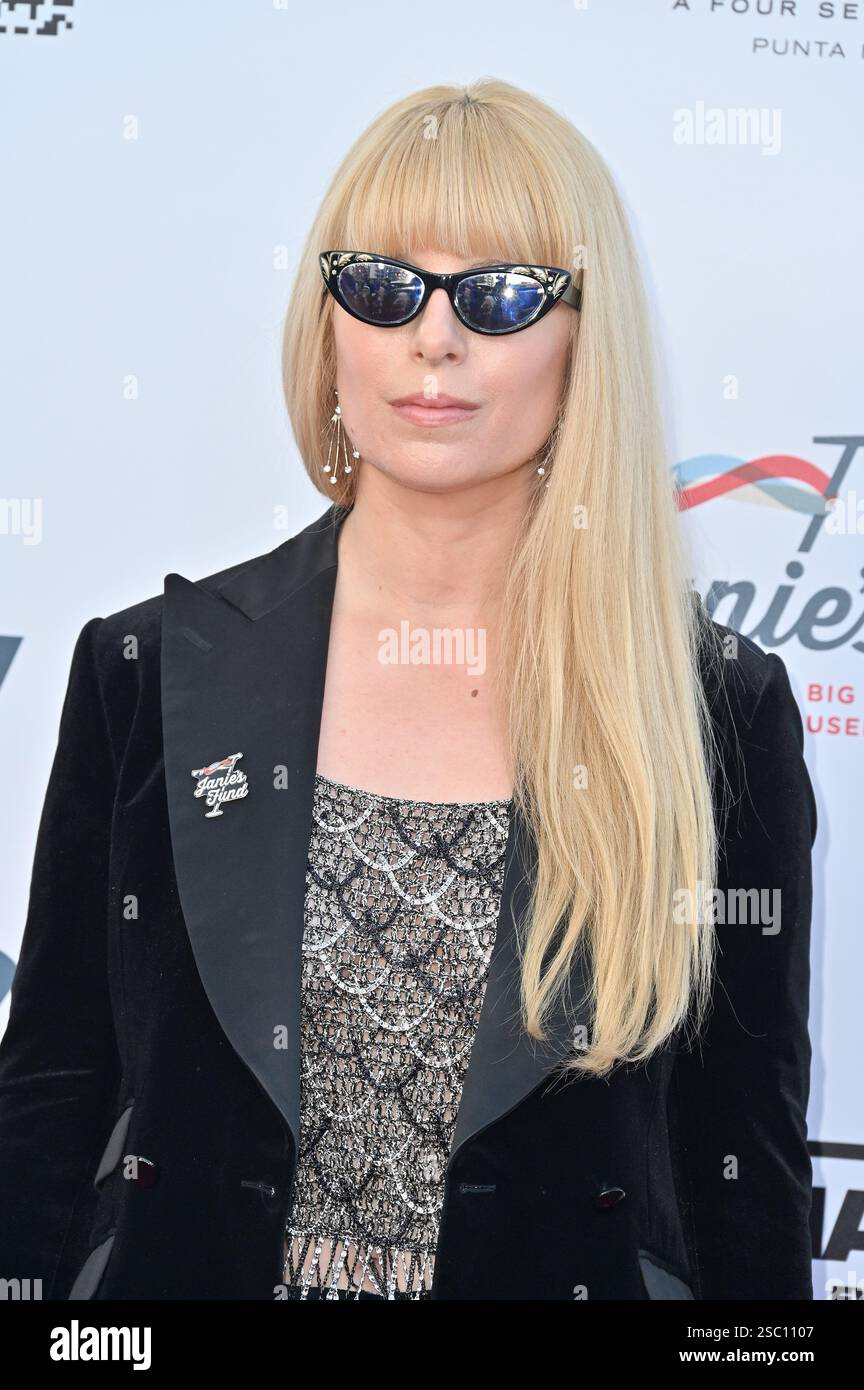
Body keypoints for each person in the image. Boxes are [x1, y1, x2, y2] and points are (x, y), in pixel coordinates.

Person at [0, 78, 817, 1301]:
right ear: (329, 324)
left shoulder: (711, 712)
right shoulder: (149, 670)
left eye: (497, 296)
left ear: (584, 338)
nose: (434, 339)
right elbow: (53, 1102)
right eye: (384, 286)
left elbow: (741, 1169)